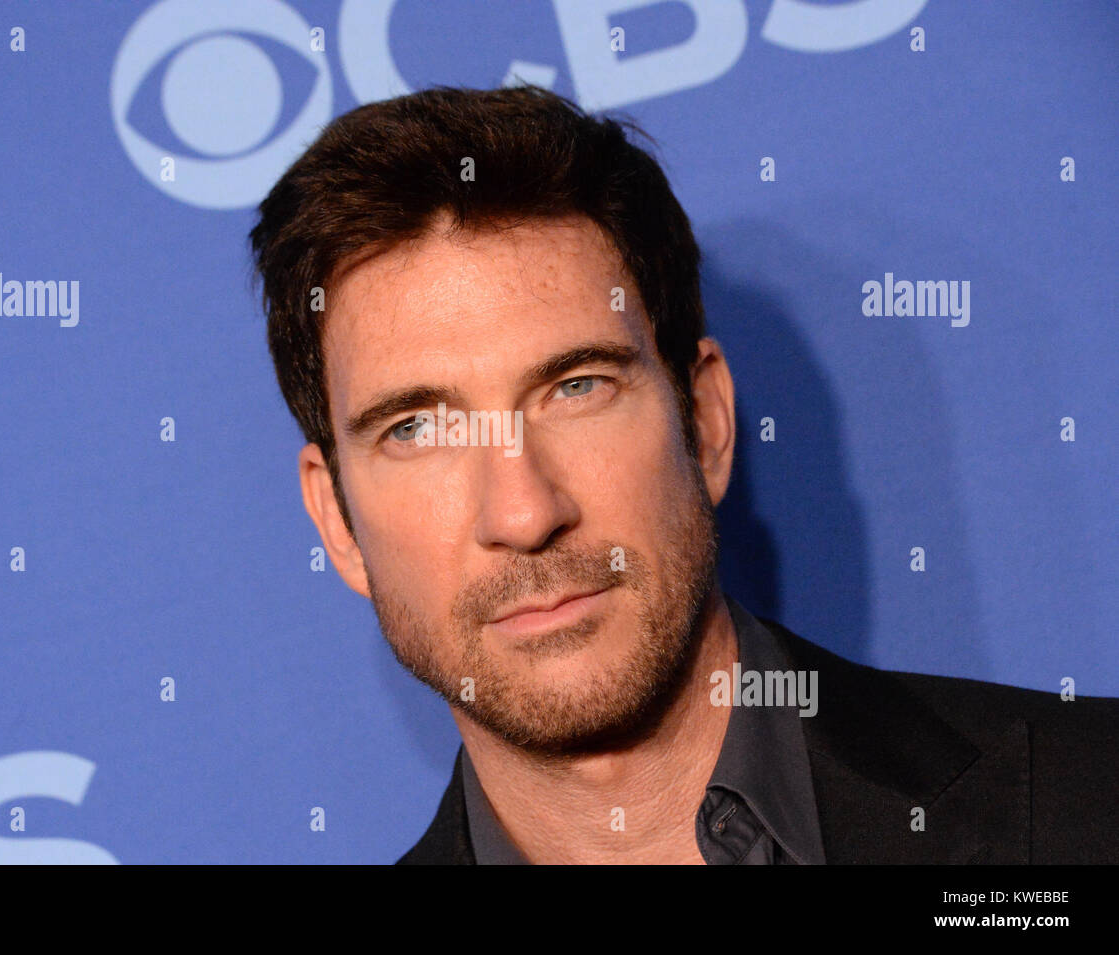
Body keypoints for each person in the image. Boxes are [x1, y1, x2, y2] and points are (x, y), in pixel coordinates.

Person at [249, 85, 1118, 864]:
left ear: (704, 421)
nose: (522, 510)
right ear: (336, 522)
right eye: (418, 428)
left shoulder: (1090, 806)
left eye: (576, 386)